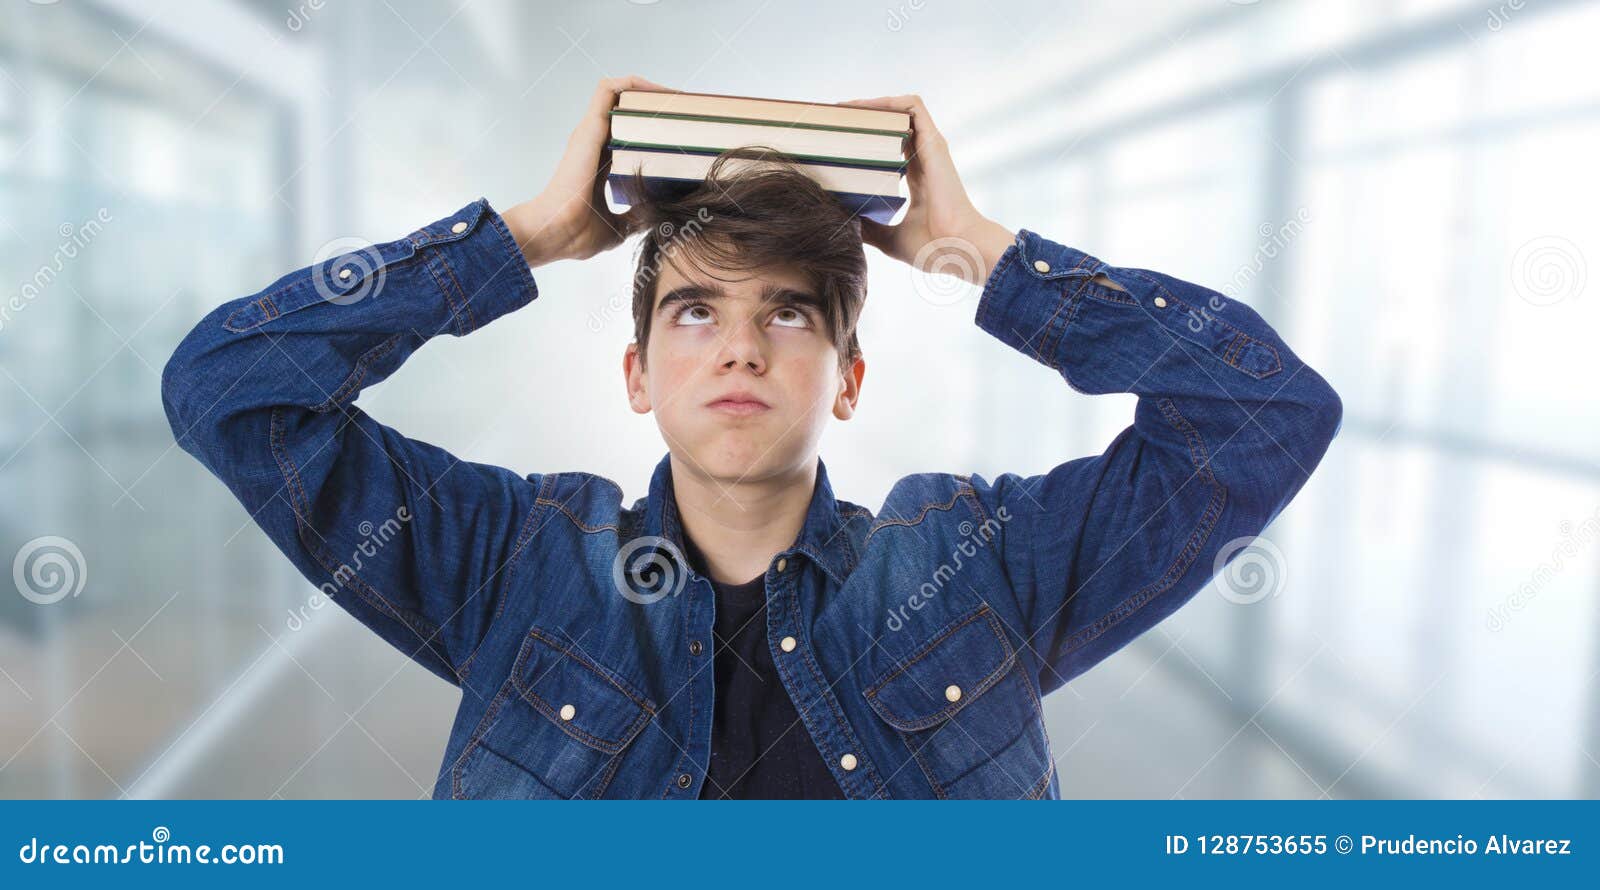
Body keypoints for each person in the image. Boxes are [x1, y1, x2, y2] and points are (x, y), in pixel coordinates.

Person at [161, 75, 1342, 799]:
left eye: (786, 312)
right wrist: (522, 235)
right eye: (694, 312)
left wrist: (972, 244)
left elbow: (1264, 414)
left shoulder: (983, 565)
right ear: (637, 375)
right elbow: (229, 386)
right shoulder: (510, 563)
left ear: (848, 378)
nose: (739, 347)